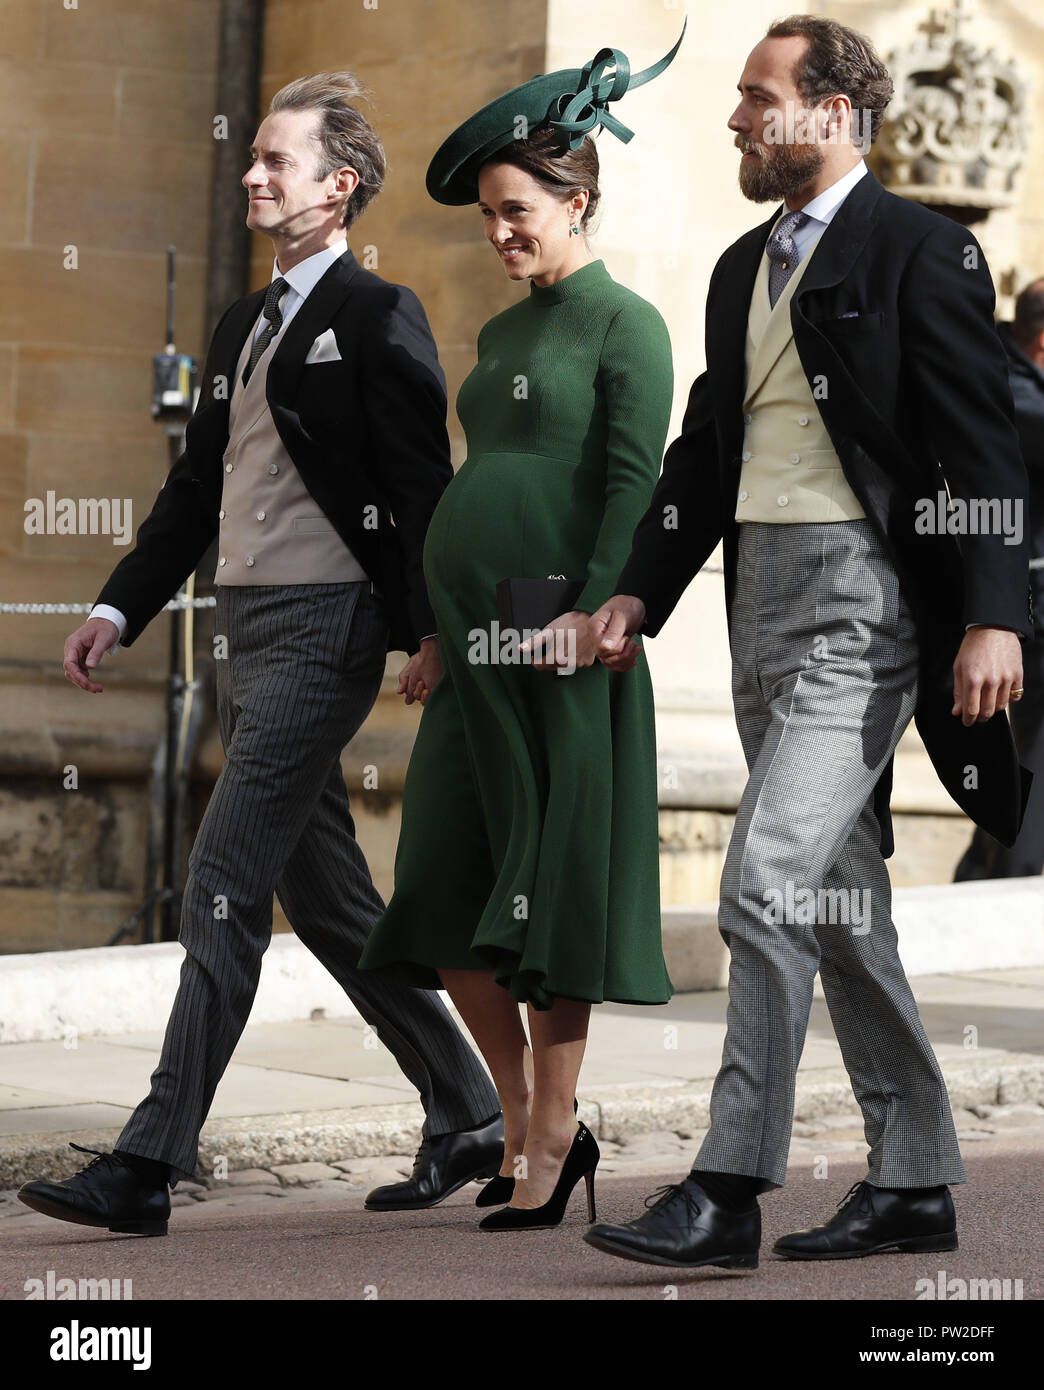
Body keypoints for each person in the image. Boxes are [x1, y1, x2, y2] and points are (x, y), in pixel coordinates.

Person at [18, 72, 504, 1238]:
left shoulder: (378, 315)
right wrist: (119, 608)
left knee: (222, 874)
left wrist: (427, 626)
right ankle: (469, 1107)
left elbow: (417, 485)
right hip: (242, 630)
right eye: (254, 159)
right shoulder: (242, 323)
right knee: (327, 897)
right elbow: (194, 495)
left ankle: (151, 1156)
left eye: (276, 160)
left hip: (327, 628)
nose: (252, 173)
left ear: (339, 187)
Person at [583, 14, 1030, 1271]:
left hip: (864, 600)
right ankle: (915, 1180)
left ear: (831, 113)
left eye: (755, 96)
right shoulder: (739, 267)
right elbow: (708, 447)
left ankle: (727, 1187)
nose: (734, 116)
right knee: (837, 902)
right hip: (754, 593)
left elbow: (980, 448)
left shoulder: (923, 252)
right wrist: (637, 591)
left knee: (763, 876)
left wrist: (993, 611)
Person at [358, 33, 684, 1231]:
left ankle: (551, 1138)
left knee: (546, 894)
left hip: (561, 646)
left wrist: (595, 614)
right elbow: (475, 477)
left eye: (516, 211)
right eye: (491, 215)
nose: (499, 233)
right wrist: (438, 631)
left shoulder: (626, 325)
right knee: (445, 893)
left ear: (575, 200)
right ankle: (522, 1118)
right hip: (475, 645)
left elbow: (632, 480)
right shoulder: (499, 338)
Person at [954, 278, 1044, 879]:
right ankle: (1016, 874)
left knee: (1026, 747)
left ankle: (990, 871)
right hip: (1026, 603)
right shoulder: (1011, 387)